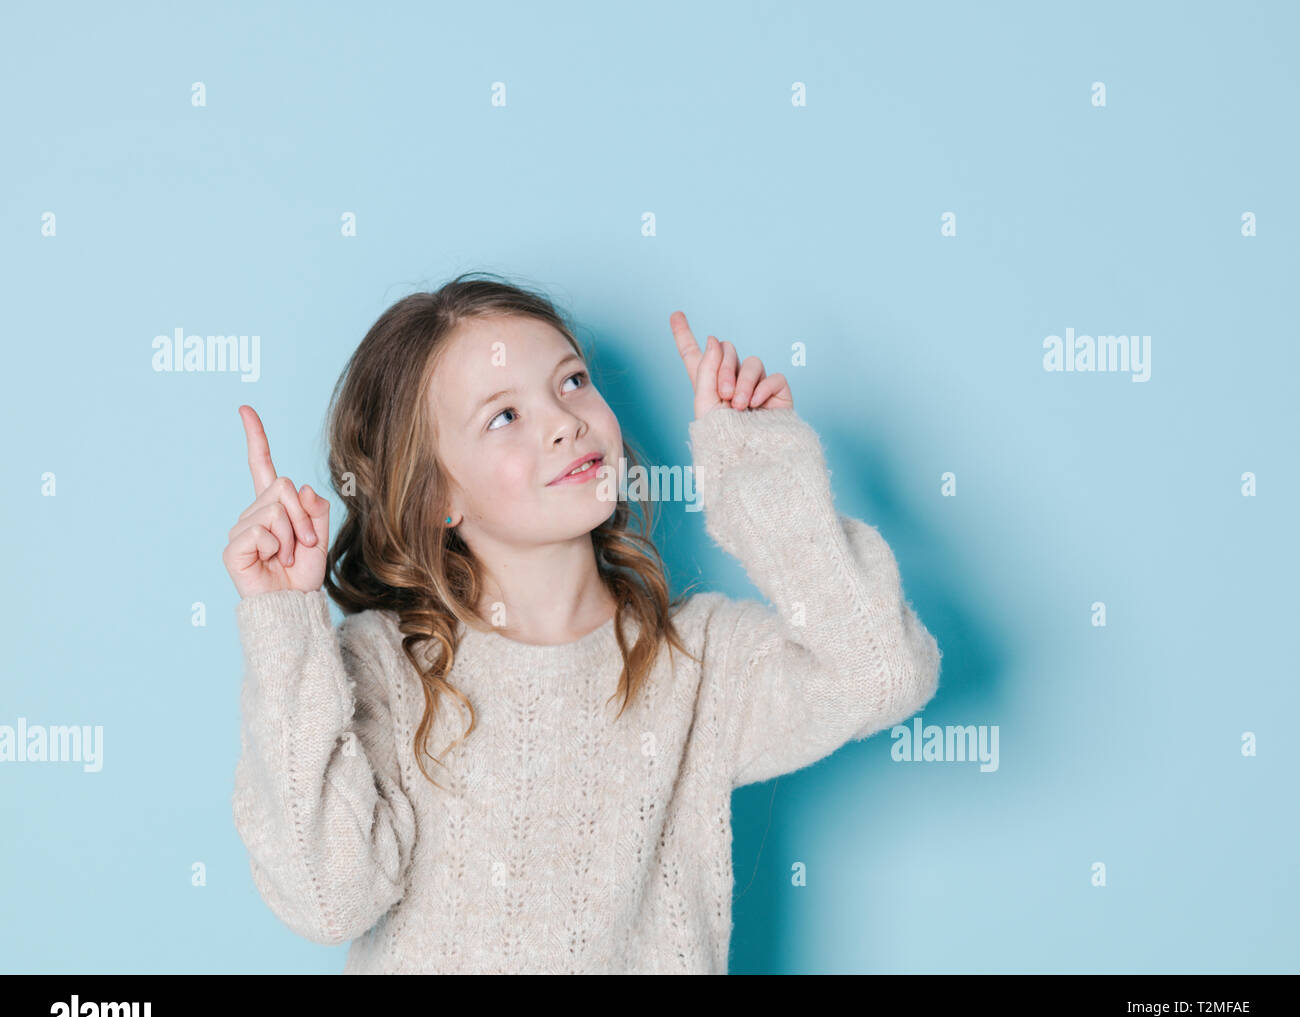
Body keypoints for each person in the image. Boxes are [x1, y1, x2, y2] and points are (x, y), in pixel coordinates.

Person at [224, 271, 942, 974]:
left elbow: (879, 672)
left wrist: (763, 472)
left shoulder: (700, 661)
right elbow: (327, 899)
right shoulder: (384, 667)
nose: (566, 422)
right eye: (504, 416)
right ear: (437, 492)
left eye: (571, 382)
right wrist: (286, 621)